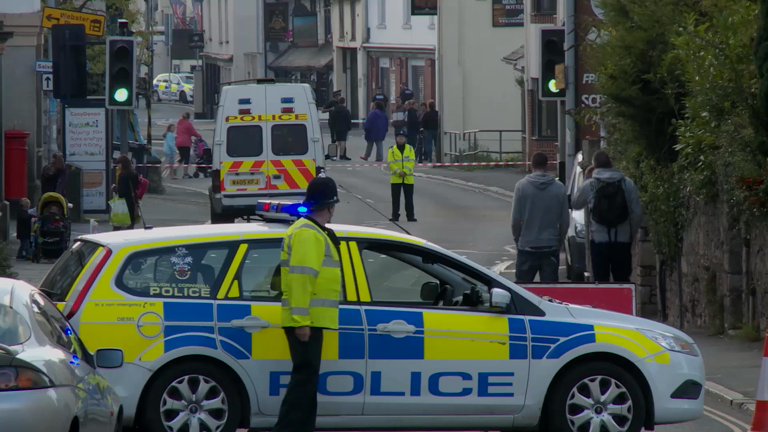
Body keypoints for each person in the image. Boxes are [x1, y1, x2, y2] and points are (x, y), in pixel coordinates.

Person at [273, 176, 342, 432]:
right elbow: (302, 279)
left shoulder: (311, 231)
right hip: (306, 322)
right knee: (303, 384)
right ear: (330, 206)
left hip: (310, 320)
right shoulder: (308, 234)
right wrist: (302, 322)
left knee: (306, 383)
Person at [572, 150, 644, 282]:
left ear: (595, 166)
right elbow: (637, 212)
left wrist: (587, 179)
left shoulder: (591, 184)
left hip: (599, 241)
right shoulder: (627, 183)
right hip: (622, 240)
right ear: (611, 163)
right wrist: (630, 233)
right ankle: (621, 303)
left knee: (601, 282)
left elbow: (575, 203)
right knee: (622, 281)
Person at [511, 152, 569, 282]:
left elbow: (515, 220)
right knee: (550, 292)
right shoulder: (559, 188)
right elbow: (565, 220)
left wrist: (518, 240)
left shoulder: (521, 187)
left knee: (522, 291)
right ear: (547, 165)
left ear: (531, 165)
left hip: (527, 246)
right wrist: (559, 241)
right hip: (550, 246)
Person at [388, 130, 417, 222]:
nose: (400, 138)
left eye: (402, 137)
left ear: (405, 139)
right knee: (395, 199)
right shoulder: (392, 150)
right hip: (396, 178)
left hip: (408, 178)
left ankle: (410, 216)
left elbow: (412, 161)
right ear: (396, 139)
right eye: (399, 137)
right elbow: (391, 163)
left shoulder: (410, 149)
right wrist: (398, 172)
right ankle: (395, 216)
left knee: (409, 198)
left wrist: (404, 171)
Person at [112, 155, 140, 230]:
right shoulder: (134, 174)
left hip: (124, 206)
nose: (118, 166)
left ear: (123, 164)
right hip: (133, 204)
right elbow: (136, 188)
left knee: (118, 228)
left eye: (119, 164)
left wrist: (115, 189)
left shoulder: (122, 176)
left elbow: (121, 194)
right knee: (130, 228)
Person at [176, 112, 202, 179]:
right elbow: (193, 132)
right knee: (186, 159)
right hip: (185, 143)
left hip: (178, 142)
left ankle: (174, 168)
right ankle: (185, 174)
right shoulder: (188, 124)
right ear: (188, 117)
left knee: (182, 157)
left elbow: (177, 132)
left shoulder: (179, 123)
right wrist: (199, 136)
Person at [322, 90, 341, 160]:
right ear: (335, 96)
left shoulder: (340, 103)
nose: (340, 96)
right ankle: (332, 154)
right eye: (339, 95)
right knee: (333, 138)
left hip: (339, 122)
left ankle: (341, 154)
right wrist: (330, 109)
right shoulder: (331, 102)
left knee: (340, 139)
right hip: (332, 122)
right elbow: (323, 110)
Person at [331, 96, 352, 161]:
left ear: (338, 101)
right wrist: (349, 127)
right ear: (344, 102)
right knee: (343, 141)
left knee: (337, 141)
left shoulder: (335, 109)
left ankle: (334, 155)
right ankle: (341, 155)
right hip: (344, 127)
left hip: (336, 127)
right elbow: (349, 119)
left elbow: (332, 119)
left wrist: (332, 127)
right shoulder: (346, 110)